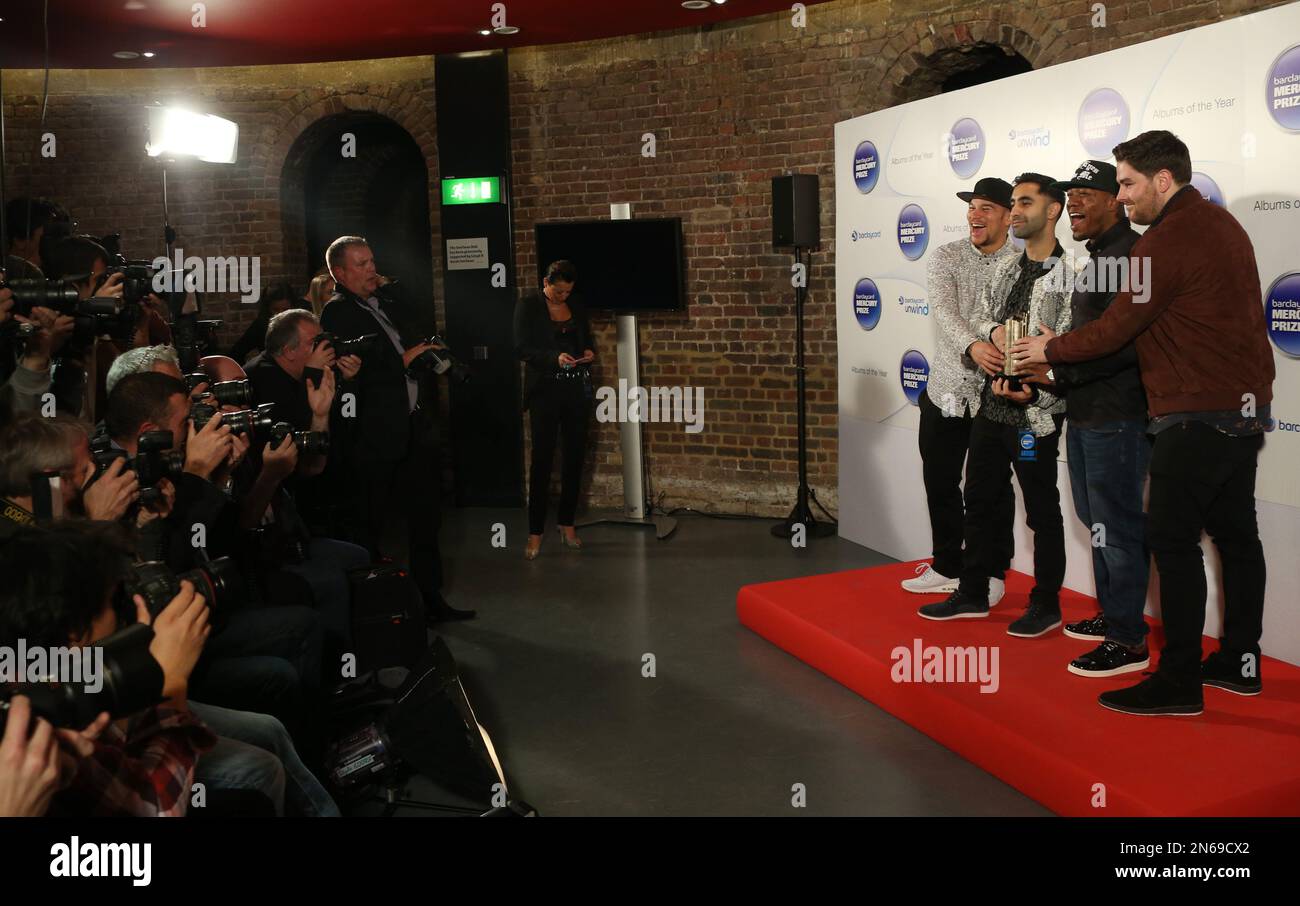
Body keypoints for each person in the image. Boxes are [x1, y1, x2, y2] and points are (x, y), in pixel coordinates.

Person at [1014, 130, 1275, 715]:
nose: (1123, 195)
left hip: (1194, 411)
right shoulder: (1221, 223)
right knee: (1235, 536)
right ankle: (1240, 661)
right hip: (1240, 409)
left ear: (1163, 179)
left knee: (1170, 541)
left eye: (1128, 183)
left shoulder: (1166, 239)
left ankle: (1178, 681)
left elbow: (1117, 330)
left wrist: (1048, 351)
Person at [918, 173, 1072, 637]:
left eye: (1023, 202)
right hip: (990, 409)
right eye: (1014, 202)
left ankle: (1045, 603)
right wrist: (990, 333)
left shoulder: (1072, 275)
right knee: (980, 499)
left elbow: (1071, 347)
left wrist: (1036, 389)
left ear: (1053, 211)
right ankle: (972, 592)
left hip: (1030, 418)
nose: (1016, 209)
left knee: (1040, 508)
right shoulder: (1007, 269)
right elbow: (984, 313)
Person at [1029, 161, 1151, 678]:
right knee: (1095, 519)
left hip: (1118, 417)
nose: (1073, 203)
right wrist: (1052, 371)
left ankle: (1128, 640)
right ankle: (1113, 617)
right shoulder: (1099, 256)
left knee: (1116, 527)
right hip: (1086, 413)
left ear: (1114, 200)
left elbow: (1128, 347)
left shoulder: (1135, 257)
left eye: (1085, 194)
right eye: (1069, 194)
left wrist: (1053, 363)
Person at [320, 235, 473, 622]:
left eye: (372, 261)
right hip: (376, 433)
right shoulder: (336, 312)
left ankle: (431, 599)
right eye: (362, 264)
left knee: (426, 517)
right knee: (370, 522)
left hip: (414, 425)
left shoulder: (385, 302)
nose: (372, 269)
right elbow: (354, 369)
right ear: (339, 272)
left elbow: (420, 322)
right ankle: (375, 610)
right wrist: (406, 359)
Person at [904, 177, 1017, 604]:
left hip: (996, 394)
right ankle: (946, 564)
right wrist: (975, 346)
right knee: (941, 480)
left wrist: (997, 348)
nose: (975, 214)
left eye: (986, 207)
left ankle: (991, 571)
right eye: (972, 206)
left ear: (1008, 215)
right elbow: (946, 315)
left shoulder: (1023, 263)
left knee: (993, 487)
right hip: (946, 388)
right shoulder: (945, 256)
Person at [513, 260, 595, 560]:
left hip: (576, 389)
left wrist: (587, 352)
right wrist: (552, 358)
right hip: (544, 392)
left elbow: (585, 338)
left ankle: (567, 524)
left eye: (568, 291)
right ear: (545, 282)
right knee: (543, 461)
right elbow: (521, 348)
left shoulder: (577, 304)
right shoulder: (528, 305)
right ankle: (535, 533)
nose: (563, 296)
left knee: (574, 458)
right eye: (559, 291)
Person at [228, 283, 296, 365]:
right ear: (268, 309)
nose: (280, 315)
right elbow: (235, 353)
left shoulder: (300, 323)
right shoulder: (261, 325)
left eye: (285, 310)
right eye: (276, 310)